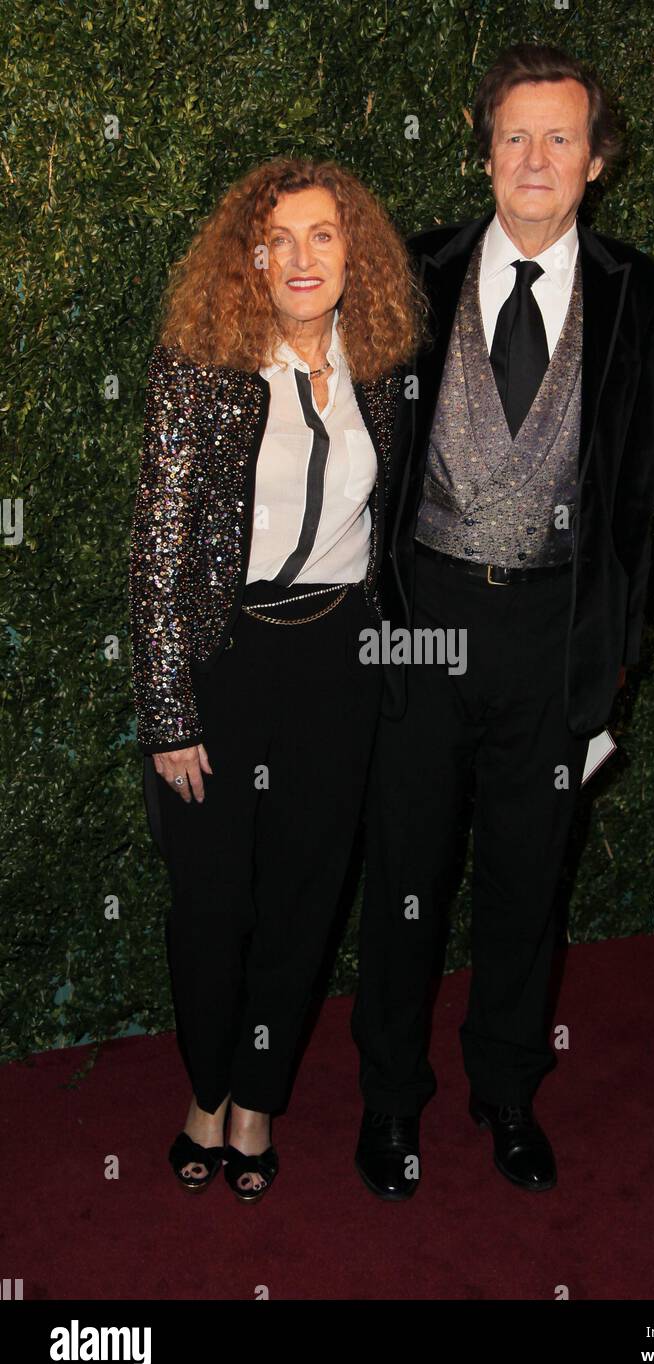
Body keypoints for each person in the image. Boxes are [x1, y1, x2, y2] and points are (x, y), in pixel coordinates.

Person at [351, 44, 654, 1199]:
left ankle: (504, 1091)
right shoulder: (414, 271)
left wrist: (608, 681)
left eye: (559, 138)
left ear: (595, 160)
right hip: (423, 621)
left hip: (552, 635)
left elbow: (636, 504)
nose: (534, 158)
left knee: (527, 886)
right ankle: (389, 1099)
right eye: (513, 136)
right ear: (484, 152)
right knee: (404, 878)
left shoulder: (643, 296)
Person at [128, 157, 423, 1203]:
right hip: (225, 661)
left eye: (322, 237)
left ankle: (255, 1097)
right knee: (210, 904)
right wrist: (167, 707)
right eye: (276, 241)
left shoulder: (383, 368)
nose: (300, 259)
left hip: (336, 664)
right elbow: (157, 552)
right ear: (245, 260)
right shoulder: (197, 366)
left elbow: (395, 537)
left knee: (305, 895)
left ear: (356, 255)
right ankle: (204, 1086)